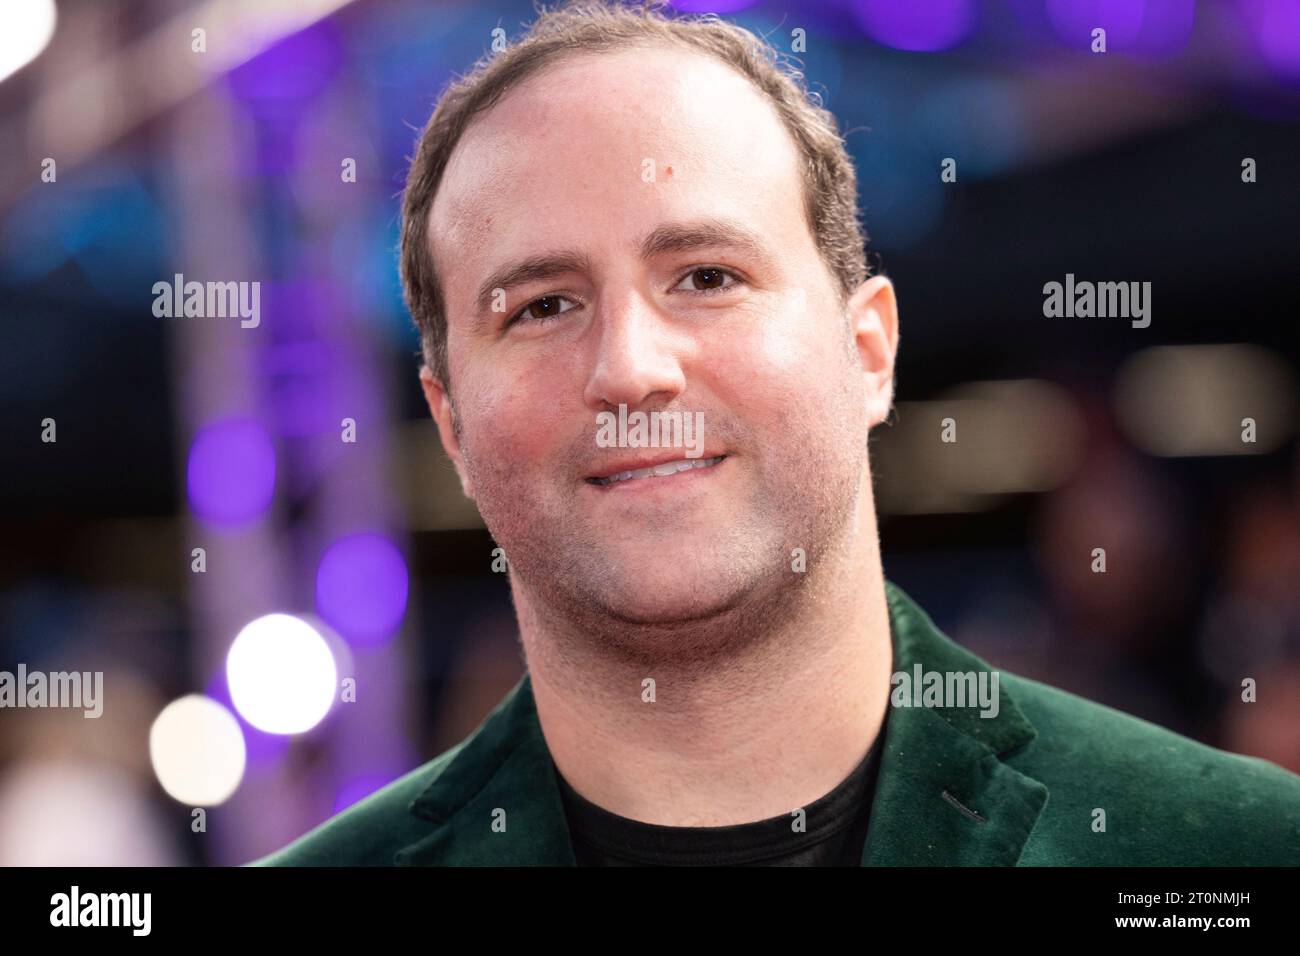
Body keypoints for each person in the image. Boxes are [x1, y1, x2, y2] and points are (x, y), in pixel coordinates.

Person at [253, 0, 1300, 866]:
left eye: (707, 277)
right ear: (450, 423)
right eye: (540, 306)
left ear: (868, 351)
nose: (629, 367)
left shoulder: (1227, 853)